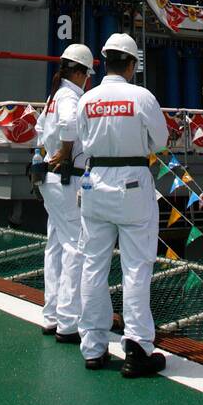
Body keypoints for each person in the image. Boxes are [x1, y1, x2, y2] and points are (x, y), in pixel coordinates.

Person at [76, 32, 169, 377]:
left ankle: (93, 348)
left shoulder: (87, 100)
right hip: (132, 184)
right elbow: (159, 141)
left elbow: (83, 141)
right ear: (131, 64)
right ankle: (138, 348)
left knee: (93, 266)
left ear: (104, 62)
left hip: (94, 183)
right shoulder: (141, 96)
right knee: (136, 267)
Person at [33, 43, 94, 342]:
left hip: (50, 179)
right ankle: (69, 323)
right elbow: (69, 124)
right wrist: (67, 152)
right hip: (66, 179)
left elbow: (38, 129)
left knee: (55, 245)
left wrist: (49, 153)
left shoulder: (53, 97)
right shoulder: (71, 96)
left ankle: (51, 315)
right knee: (76, 246)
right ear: (81, 72)